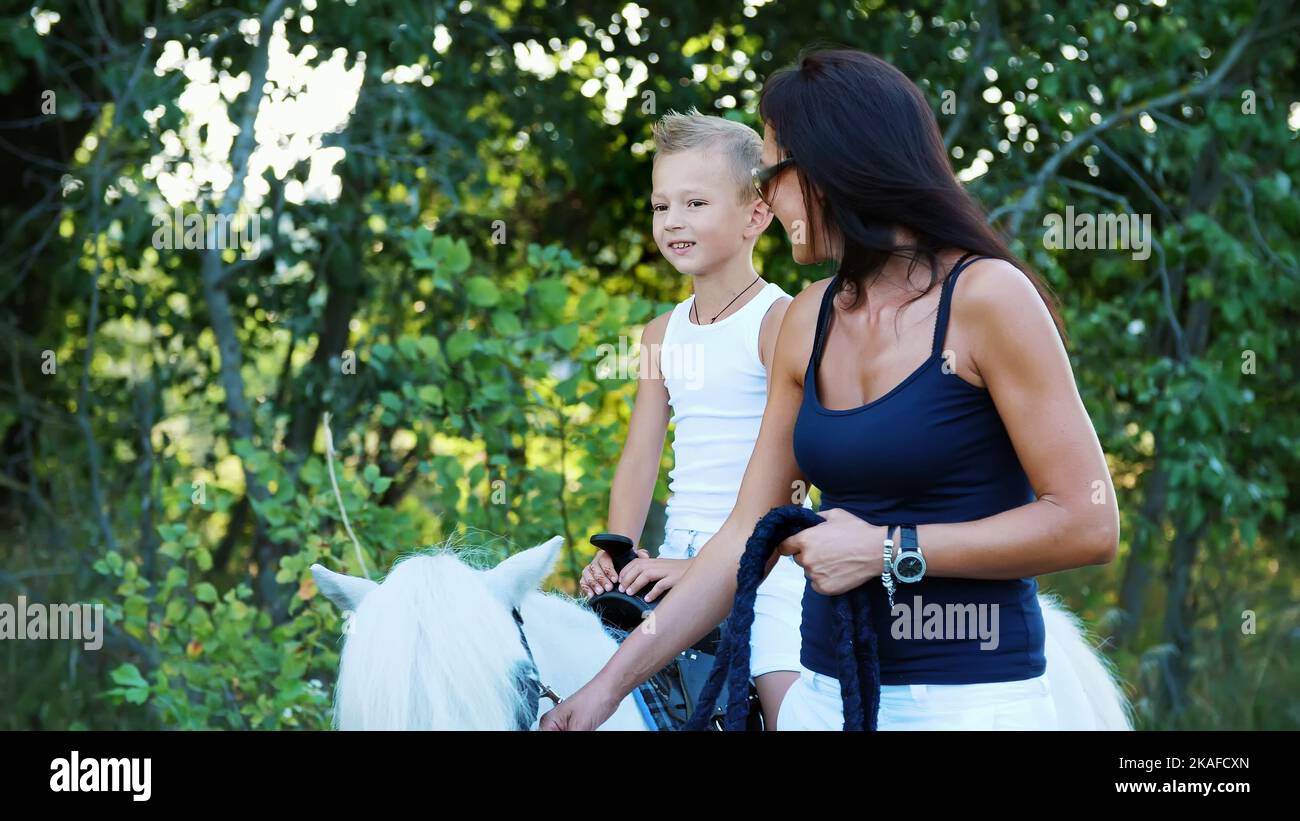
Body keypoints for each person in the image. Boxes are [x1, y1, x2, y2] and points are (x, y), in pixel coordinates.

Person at [544, 48, 1118, 731]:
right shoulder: (809, 317)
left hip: (969, 703)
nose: (768, 196)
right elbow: (743, 538)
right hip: (821, 698)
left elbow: (1087, 520)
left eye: (773, 172)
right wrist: (605, 688)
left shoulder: (989, 298)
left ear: (831, 167)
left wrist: (889, 550)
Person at [577, 109, 809, 727]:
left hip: (769, 567)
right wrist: (619, 548)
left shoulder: (778, 322)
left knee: (787, 699)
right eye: (661, 206)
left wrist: (706, 570)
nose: (673, 221)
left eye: (695, 203)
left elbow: (799, 465)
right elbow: (641, 453)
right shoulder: (660, 334)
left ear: (756, 215)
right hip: (670, 557)